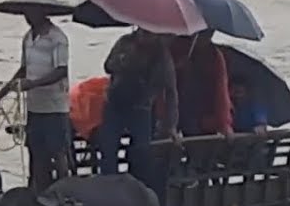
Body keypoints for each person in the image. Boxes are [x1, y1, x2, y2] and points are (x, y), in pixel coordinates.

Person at [0, 11, 72, 192]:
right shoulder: (28, 38)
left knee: (58, 152)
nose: (27, 16)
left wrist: (33, 84)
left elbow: (61, 71)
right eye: (25, 12)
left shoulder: (58, 38)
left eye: (30, 12)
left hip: (55, 107)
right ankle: (38, 190)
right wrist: (0, 94)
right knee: (35, 151)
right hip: (34, 107)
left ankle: (65, 192)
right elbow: (24, 69)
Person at [96, 29, 179, 197]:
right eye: (143, 32)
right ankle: (108, 191)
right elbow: (108, 66)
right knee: (108, 148)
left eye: (150, 33)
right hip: (116, 104)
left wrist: (171, 125)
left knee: (142, 152)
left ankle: (137, 192)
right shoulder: (125, 42)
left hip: (141, 108)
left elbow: (171, 91)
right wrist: (126, 59)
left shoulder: (161, 56)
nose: (145, 36)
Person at [169, 29, 233, 137]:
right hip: (177, 107)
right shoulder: (176, 49)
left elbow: (221, 90)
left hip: (203, 114)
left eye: (209, 34)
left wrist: (224, 123)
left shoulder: (214, 56)